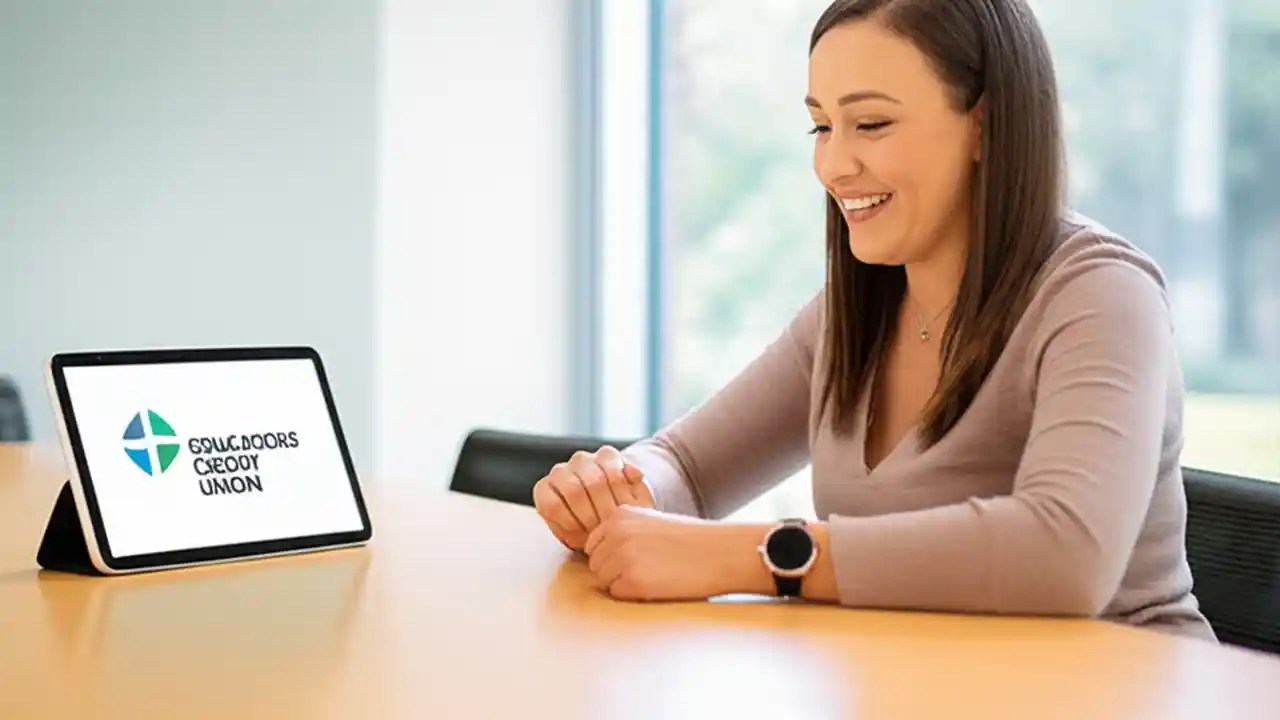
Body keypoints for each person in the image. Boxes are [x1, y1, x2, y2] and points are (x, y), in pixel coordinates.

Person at [532, 0, 1215, 641]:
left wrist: (764, 556)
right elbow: (688, 466)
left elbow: (1067, 555)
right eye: (821, 126)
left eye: (871, 124)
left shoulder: (1102, 295)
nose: (832, 165)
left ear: (985, 124)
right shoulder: (855, 309)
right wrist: (620, 490)